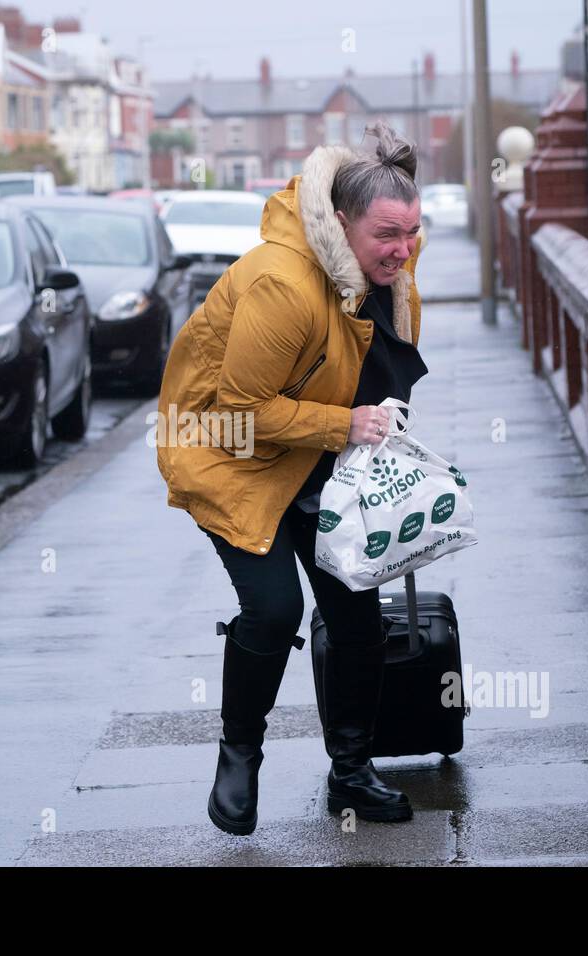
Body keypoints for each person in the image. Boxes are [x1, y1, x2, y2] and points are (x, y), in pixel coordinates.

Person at [154, 122, 429, 835]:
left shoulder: (385, 266)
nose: (403, 250)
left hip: (319, 465)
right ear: (340, 224)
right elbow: (240, 409)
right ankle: (239, 753)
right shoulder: (283, 283)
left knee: (358, 616)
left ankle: (352, 772)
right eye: (387, 235)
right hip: (229, 453)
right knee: (273, 610)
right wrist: (345, 426)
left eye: (412, 232)